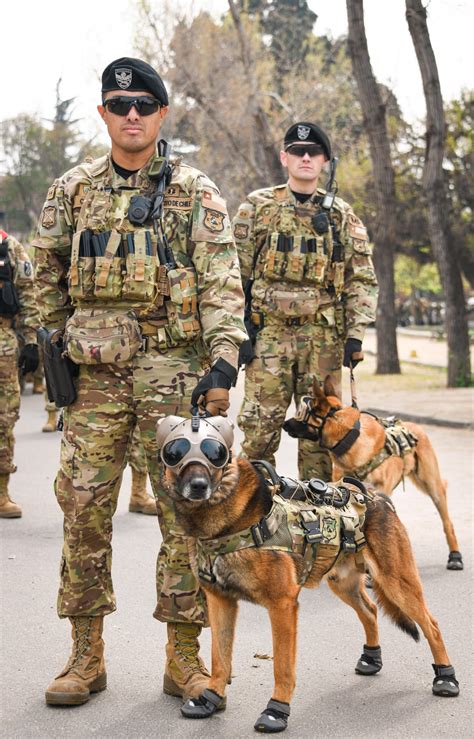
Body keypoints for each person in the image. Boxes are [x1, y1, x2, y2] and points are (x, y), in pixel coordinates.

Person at [33, 57, 247, 706]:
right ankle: (85, 657)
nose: (132, 115)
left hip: (174, 379)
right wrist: (54, 346)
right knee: (83, 516)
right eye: (119, 105)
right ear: (103, 113)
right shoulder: (70, 190)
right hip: (93, 386)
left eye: (144, 106)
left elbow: (221, 280)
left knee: (186, 520)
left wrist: (225, 357)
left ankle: (183, 659)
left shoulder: (195, 191)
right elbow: (44, 272)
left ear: (161, 114)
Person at [233, 122, 378, 480]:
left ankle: (316, 526)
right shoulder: (257, 208)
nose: (306, 157)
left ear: (326, 160)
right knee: (259, 431)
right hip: (268, 338)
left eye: (314, 152)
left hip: (322, 340)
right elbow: (234, 278)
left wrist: (355, 334)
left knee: (321, 434)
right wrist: (238, 333)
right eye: (298, 151)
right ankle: (251, 520)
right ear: (285, 157)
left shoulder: (341, 215)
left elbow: (362, 278)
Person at [0, 230, 40, 517]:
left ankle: (1, 494)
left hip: (2, 341)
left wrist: (31, 342)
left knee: (3, 420)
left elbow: (28, 295)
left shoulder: (8, 246)